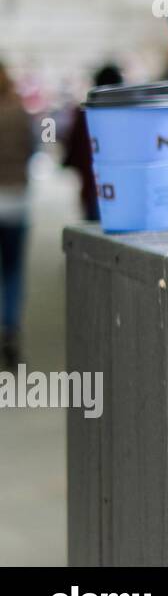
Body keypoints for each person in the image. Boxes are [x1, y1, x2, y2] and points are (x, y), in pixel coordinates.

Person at [0, 64, 34, 370]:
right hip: (15, 200)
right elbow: (32, 148)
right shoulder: (19, 113)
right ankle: (9, 330)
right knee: (12, 271)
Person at [64, 64, 124, 221]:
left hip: (93, 184)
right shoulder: (127, 114)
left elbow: (74, 146)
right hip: (123, 186)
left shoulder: (86, 113)